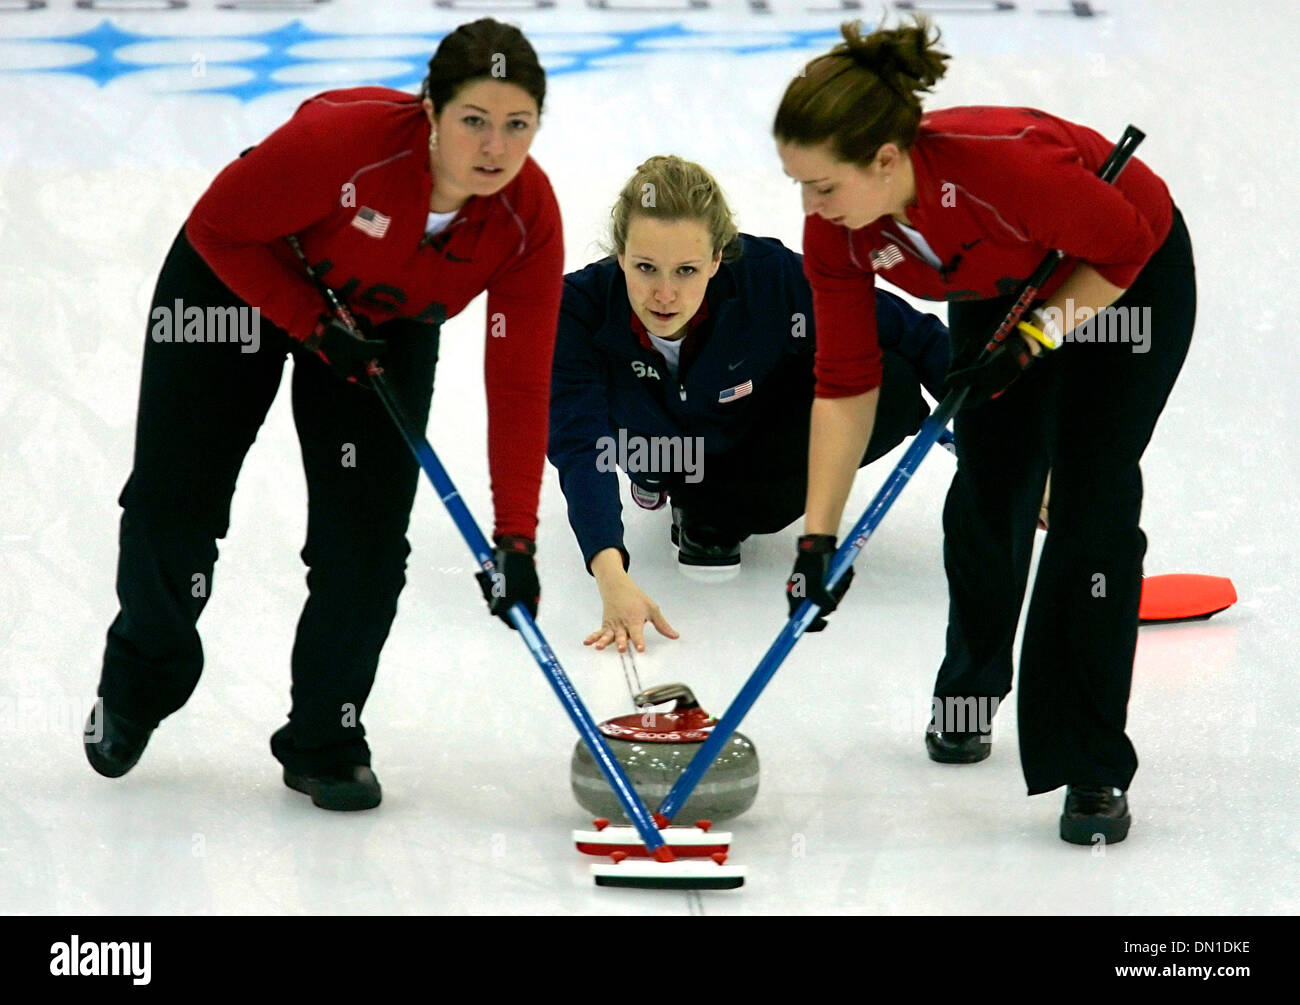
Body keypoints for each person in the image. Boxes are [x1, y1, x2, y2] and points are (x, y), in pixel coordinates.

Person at [85, 18, 564, 811]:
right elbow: (216, 227)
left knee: (367, 548)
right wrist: (308, 322)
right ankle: (143, 679)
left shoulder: (526, 222)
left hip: (383, 325)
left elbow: (519, 385)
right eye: (475, 120)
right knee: (177, 503)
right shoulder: (347, 144)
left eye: (518, 125)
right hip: (237, 281)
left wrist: (517, 537)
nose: (494, 146)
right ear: (431, 111)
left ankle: (326, 735)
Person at [773, 18, 1195, 844]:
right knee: (990, 483)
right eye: (800, 186)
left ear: (886, 160)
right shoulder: (840, 235)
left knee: (1090, 507)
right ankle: (970, 690)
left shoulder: (1007, 169)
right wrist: (819, 539)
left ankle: (1091, 760)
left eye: (823, 185)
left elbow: (1121, 246)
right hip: (1002, 277)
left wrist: (1039, 339)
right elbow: (845, 384)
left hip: (1124, 279)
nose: (811, 208)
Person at [547, 155, 950, 653]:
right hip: (653, 444)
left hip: (748, 434)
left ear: (718, 259)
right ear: (620, 256)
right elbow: (578, 442)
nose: (665, 294)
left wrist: (997, 448)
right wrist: (610, 573)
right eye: (645, 267)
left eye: (688, 270)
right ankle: (662, 479)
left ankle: (714, 510)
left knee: (892, 383)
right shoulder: (576, 309)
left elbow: (915, 334)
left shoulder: (768, 277)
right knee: (643, 448)